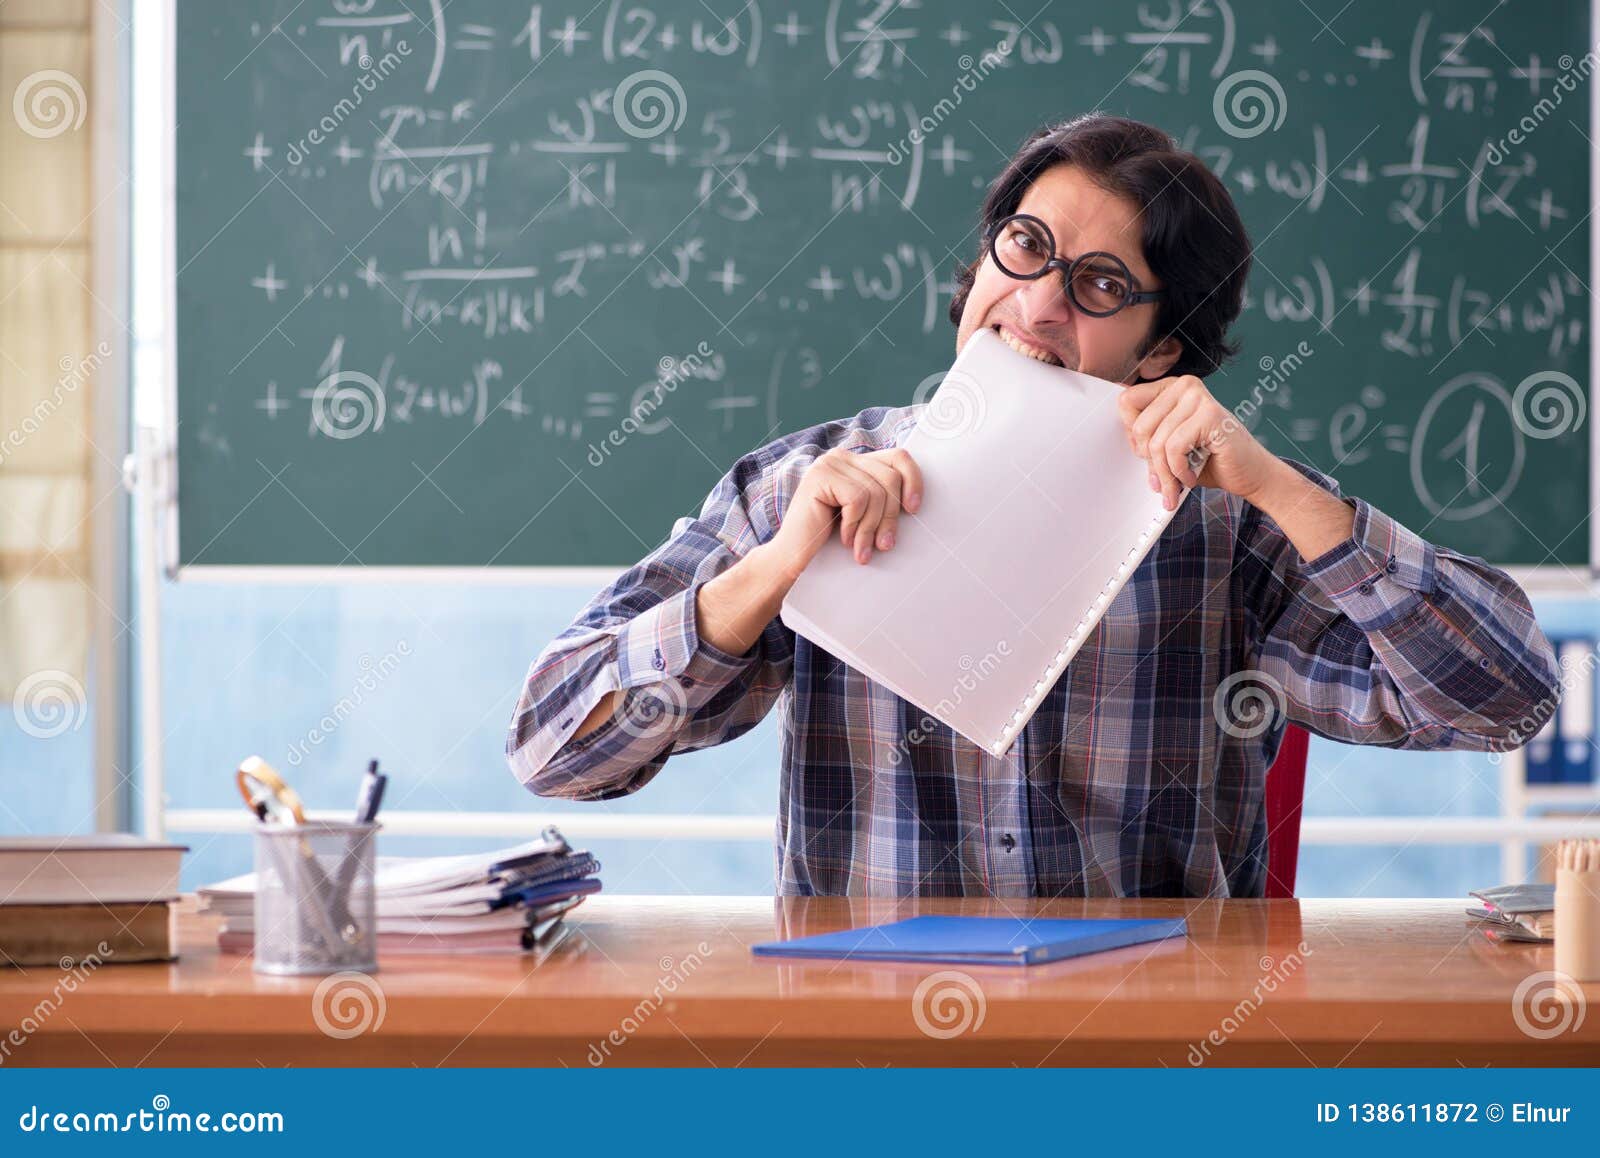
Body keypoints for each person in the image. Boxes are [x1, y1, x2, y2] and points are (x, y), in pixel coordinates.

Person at [506, 113, 1560, 897]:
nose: (1040, 301)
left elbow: (1504, 699)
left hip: (1152, 1056)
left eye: (1102, 284)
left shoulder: (1231, 525)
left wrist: (1280, 487)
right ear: (980, 266)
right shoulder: (802, 488)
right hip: (867, 1052)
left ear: (1161, 349)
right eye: (1025, 247)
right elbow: (553, 753)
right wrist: (769, 575)